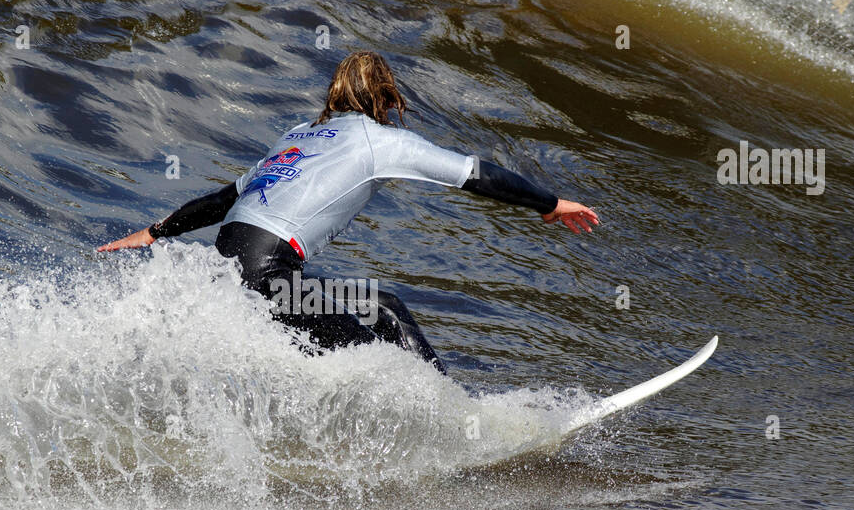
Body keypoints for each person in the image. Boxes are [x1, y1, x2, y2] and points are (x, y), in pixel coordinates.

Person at [99, 51, 598, 372]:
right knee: (383, 312)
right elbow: (475, 174)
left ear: (334, 94)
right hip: (269, 273)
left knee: (345, 337)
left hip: (229, 268)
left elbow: (225, 199)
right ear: (386, 98)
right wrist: (550, 203)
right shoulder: (381, 140)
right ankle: (451, 420)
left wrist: (156, 231)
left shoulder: (296, 136)